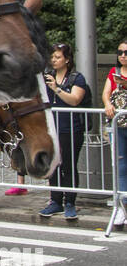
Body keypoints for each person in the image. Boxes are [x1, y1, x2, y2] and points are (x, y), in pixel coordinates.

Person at [39, 42, 91, 221]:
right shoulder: (48, 76)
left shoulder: (77, 78)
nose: (53, 60)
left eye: (58, 57)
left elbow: (75, 99)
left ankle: (70, 202)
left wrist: (56, 88)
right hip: (51, 128)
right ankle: (55, 200)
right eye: (52, 57)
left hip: (71, 128)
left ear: (67, 60)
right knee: (53, 165)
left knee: (68, 165)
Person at [102, 38, 127, 228]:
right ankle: (120, 206)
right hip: (117, 123)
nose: (123, 56)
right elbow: (106, 92)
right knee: (119, 165)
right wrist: (107, 103)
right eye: (120, 53)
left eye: (126, 53)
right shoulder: (114, 72)